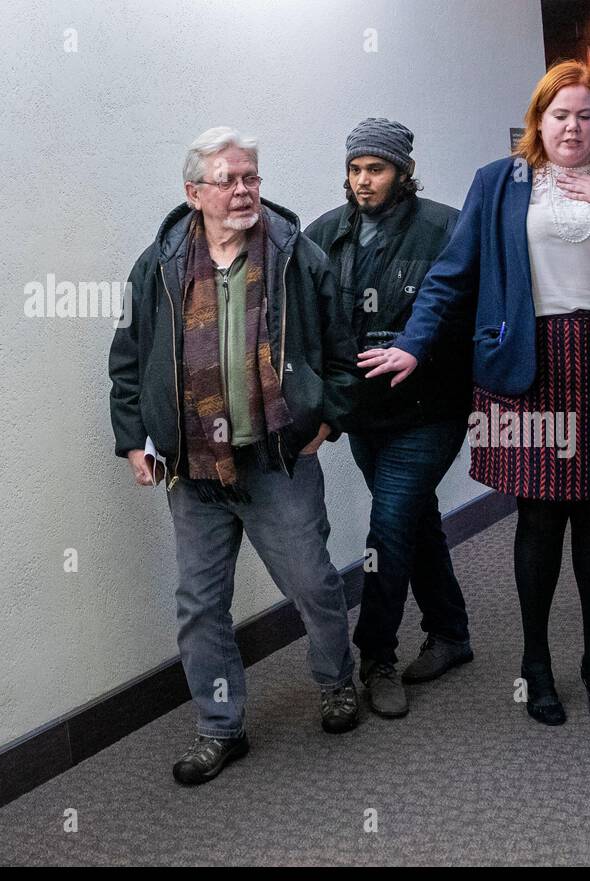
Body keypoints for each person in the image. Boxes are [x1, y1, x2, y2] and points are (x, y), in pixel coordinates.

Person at [359, 61, 590, 726]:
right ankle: (536, 663)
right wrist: (415, 343)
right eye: (560, 113)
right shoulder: (499, 183)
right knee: (538, 522)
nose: (572, 125)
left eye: (585, 115)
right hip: (525, 369)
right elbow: (451, 277)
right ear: (539, 120)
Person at [108, 127, 360, 785]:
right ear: (195, 193)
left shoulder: (295, 257)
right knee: (199, 604)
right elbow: (129, 360)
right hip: (192, 471)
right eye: (229, 179)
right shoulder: (157, 266)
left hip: (276, 460)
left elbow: (342, 350)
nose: (245, 190)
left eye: (251, 176)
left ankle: (338, 681)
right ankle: (221, 727)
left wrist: (329, 420)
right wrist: (135, 439)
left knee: (311, 582)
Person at [304, 118, 472, 720]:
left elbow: (463, 309)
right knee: (414, 521)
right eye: (355, 169)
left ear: (402, 171)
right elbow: (313, 323)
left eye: (375, 169)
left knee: (389, 526)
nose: (363, 181)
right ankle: (451, 632)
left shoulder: (445, 226)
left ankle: (375, 655)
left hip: (431, 410)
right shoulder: (326, 233)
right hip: (365, 414)